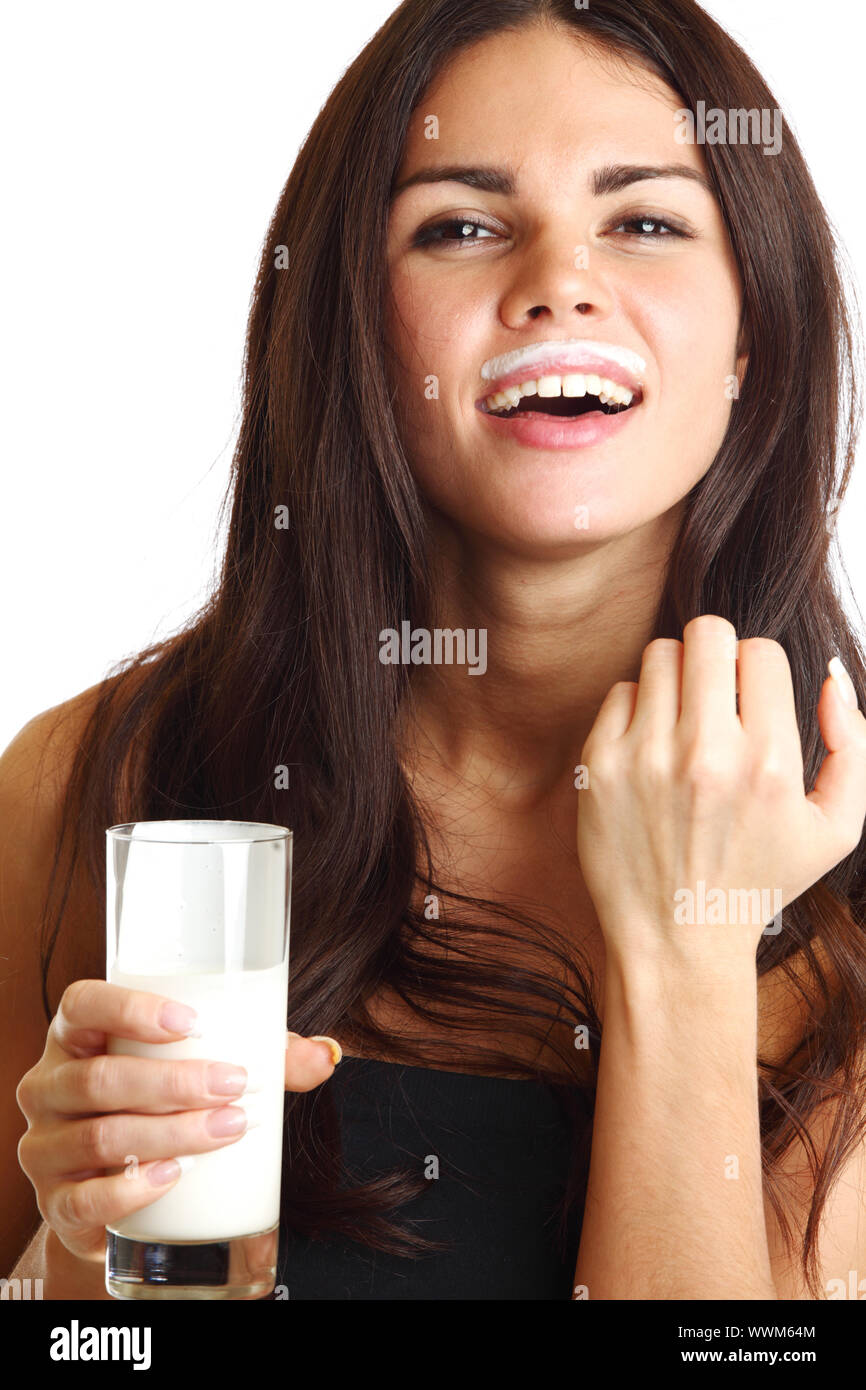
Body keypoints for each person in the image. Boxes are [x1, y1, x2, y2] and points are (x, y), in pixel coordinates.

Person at [4, 0, 866, 1300]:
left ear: (753, 325)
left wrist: (683, 957)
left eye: (642, 220)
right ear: (355, 315)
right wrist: (80, 1244)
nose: (559, 283)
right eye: (461, 225)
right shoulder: (95, 785)